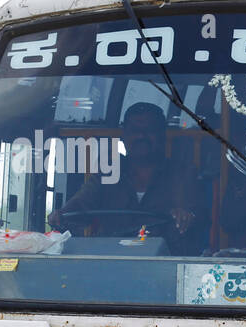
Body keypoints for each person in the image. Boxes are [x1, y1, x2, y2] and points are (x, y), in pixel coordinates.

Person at [50, 102, 199, 253]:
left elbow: (193, 213)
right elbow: (80, 206)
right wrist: (60, 215)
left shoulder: (181, 173)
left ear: (162, 134)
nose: (142, 136)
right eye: (135, 130)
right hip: (111, 261)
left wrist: (185, 215)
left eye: (150, 130)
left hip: (166, 263)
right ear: (123, 135)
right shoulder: (108, 172)